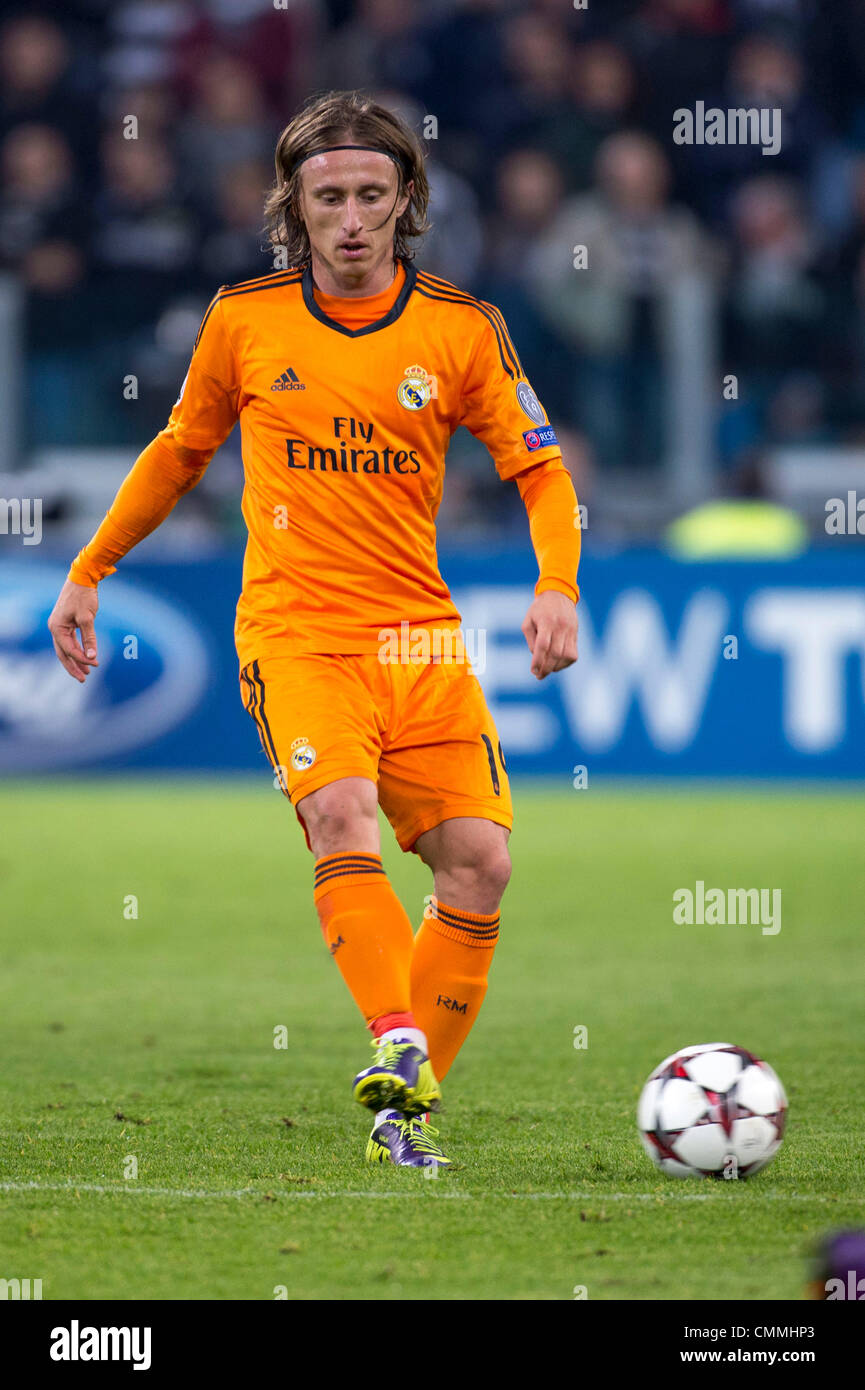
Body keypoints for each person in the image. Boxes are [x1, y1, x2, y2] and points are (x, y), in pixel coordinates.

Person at [47, 91, 581, 1168]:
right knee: (337, 812)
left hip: (419, 640)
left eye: (370, 197)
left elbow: (538, 465)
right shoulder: (244, 319)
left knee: (478, 864)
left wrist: (556, 582)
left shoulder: (460, 328)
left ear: (406, 202)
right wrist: (90, 566)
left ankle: (404, 1115)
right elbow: (178, 450)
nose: (348, 218)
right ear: (292, 203)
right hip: (296, 632)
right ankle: (395, 1035)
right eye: (326, 196)